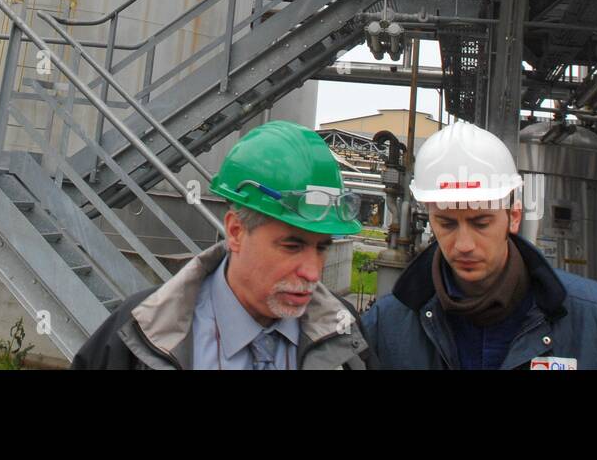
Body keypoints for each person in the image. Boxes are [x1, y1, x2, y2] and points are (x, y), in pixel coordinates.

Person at [71, 120, 377, 370]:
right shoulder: (139, 329)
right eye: (292, 246)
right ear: (235, 231)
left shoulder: (344, 331)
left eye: (321, 247)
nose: (312, 273)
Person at [362, 121, 597, 370]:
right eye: (447, 223)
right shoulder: (388, 326)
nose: (464, 245)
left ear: (514, 217)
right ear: (429, 217)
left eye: (481, 223)